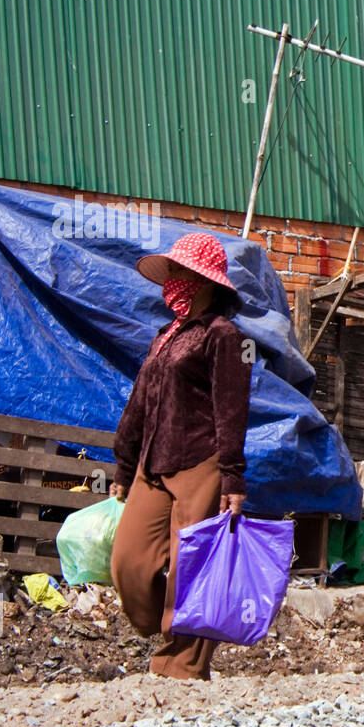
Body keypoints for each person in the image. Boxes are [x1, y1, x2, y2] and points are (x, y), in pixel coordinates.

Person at [109, 232, 251, 680]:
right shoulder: (164, 336)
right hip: (153, 463)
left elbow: (232, 409)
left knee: (193, 569)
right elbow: (138, 402)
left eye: (182, 272)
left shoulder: (223, 336)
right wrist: (124, 464)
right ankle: (164, 628)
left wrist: (232, 477)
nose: (174, 280)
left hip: (202, 462)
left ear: (206, 282)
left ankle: (183, 668)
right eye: (172, 272)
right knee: (128, 562)